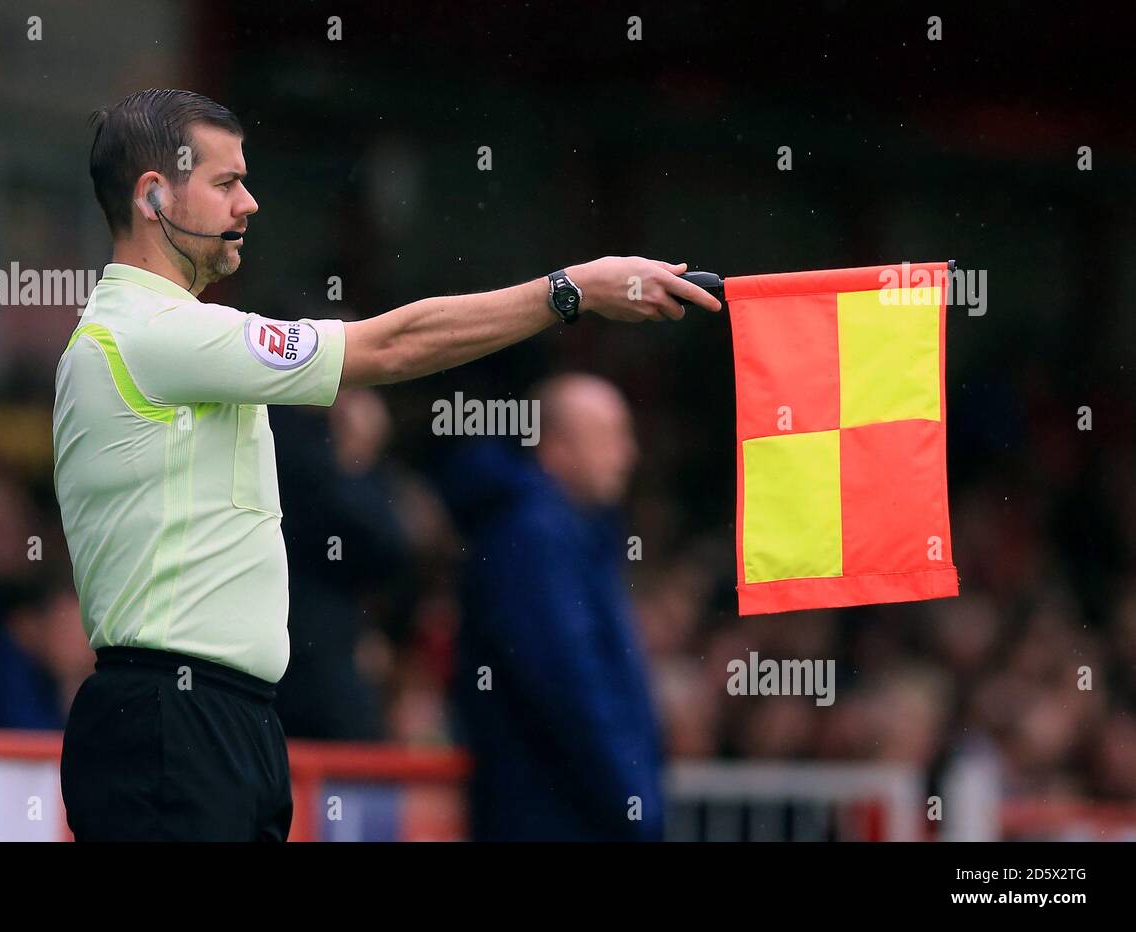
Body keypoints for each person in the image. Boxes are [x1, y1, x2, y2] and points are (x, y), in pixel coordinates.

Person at [53, 88, 719, 841]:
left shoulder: (167, 339)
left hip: (218, 723)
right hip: (173, 725)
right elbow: (388, 347)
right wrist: (572, 292)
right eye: (226, 182)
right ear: (152, 196)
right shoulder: (153, 334)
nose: (251, 203)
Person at [443, 375, 666, 840]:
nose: (629, 455)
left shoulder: (569, 532)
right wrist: (633, 800)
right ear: (556, 448)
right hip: (551, 816)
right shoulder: (536, 537)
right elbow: (568, 682)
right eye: (610, 436)